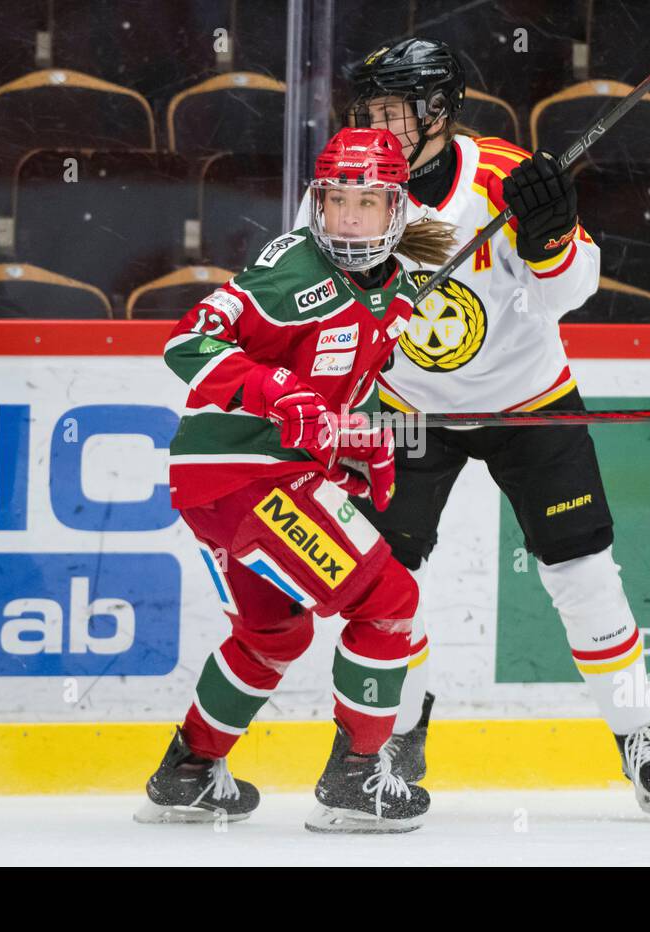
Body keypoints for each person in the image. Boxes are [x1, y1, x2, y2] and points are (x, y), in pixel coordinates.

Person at [296, 38, 650, 818]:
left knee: (582, 572)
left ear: (440, 112)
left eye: (394, 111)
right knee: (384, 586)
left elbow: (570, 292)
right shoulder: (346, 178)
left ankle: (636, 732)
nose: (377, 124)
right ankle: (396, 729)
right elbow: (309, 285)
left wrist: (550, 238)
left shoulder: (500, 178)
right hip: (408, 410)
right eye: (369, 110)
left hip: (528, 401)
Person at [136, 127, 456, 833]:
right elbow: (186, 343)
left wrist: (362, 438)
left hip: (224, 489)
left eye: (366, 203)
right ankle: (356, 777)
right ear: (317, 201)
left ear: (396, 210)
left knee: (271, 635)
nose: (347, 216)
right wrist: (282, 395)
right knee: (389, 598)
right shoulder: (294, 272)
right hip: (249, 478)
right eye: (336, 199)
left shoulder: (395, 291)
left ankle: (187, 771)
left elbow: (341, 393)